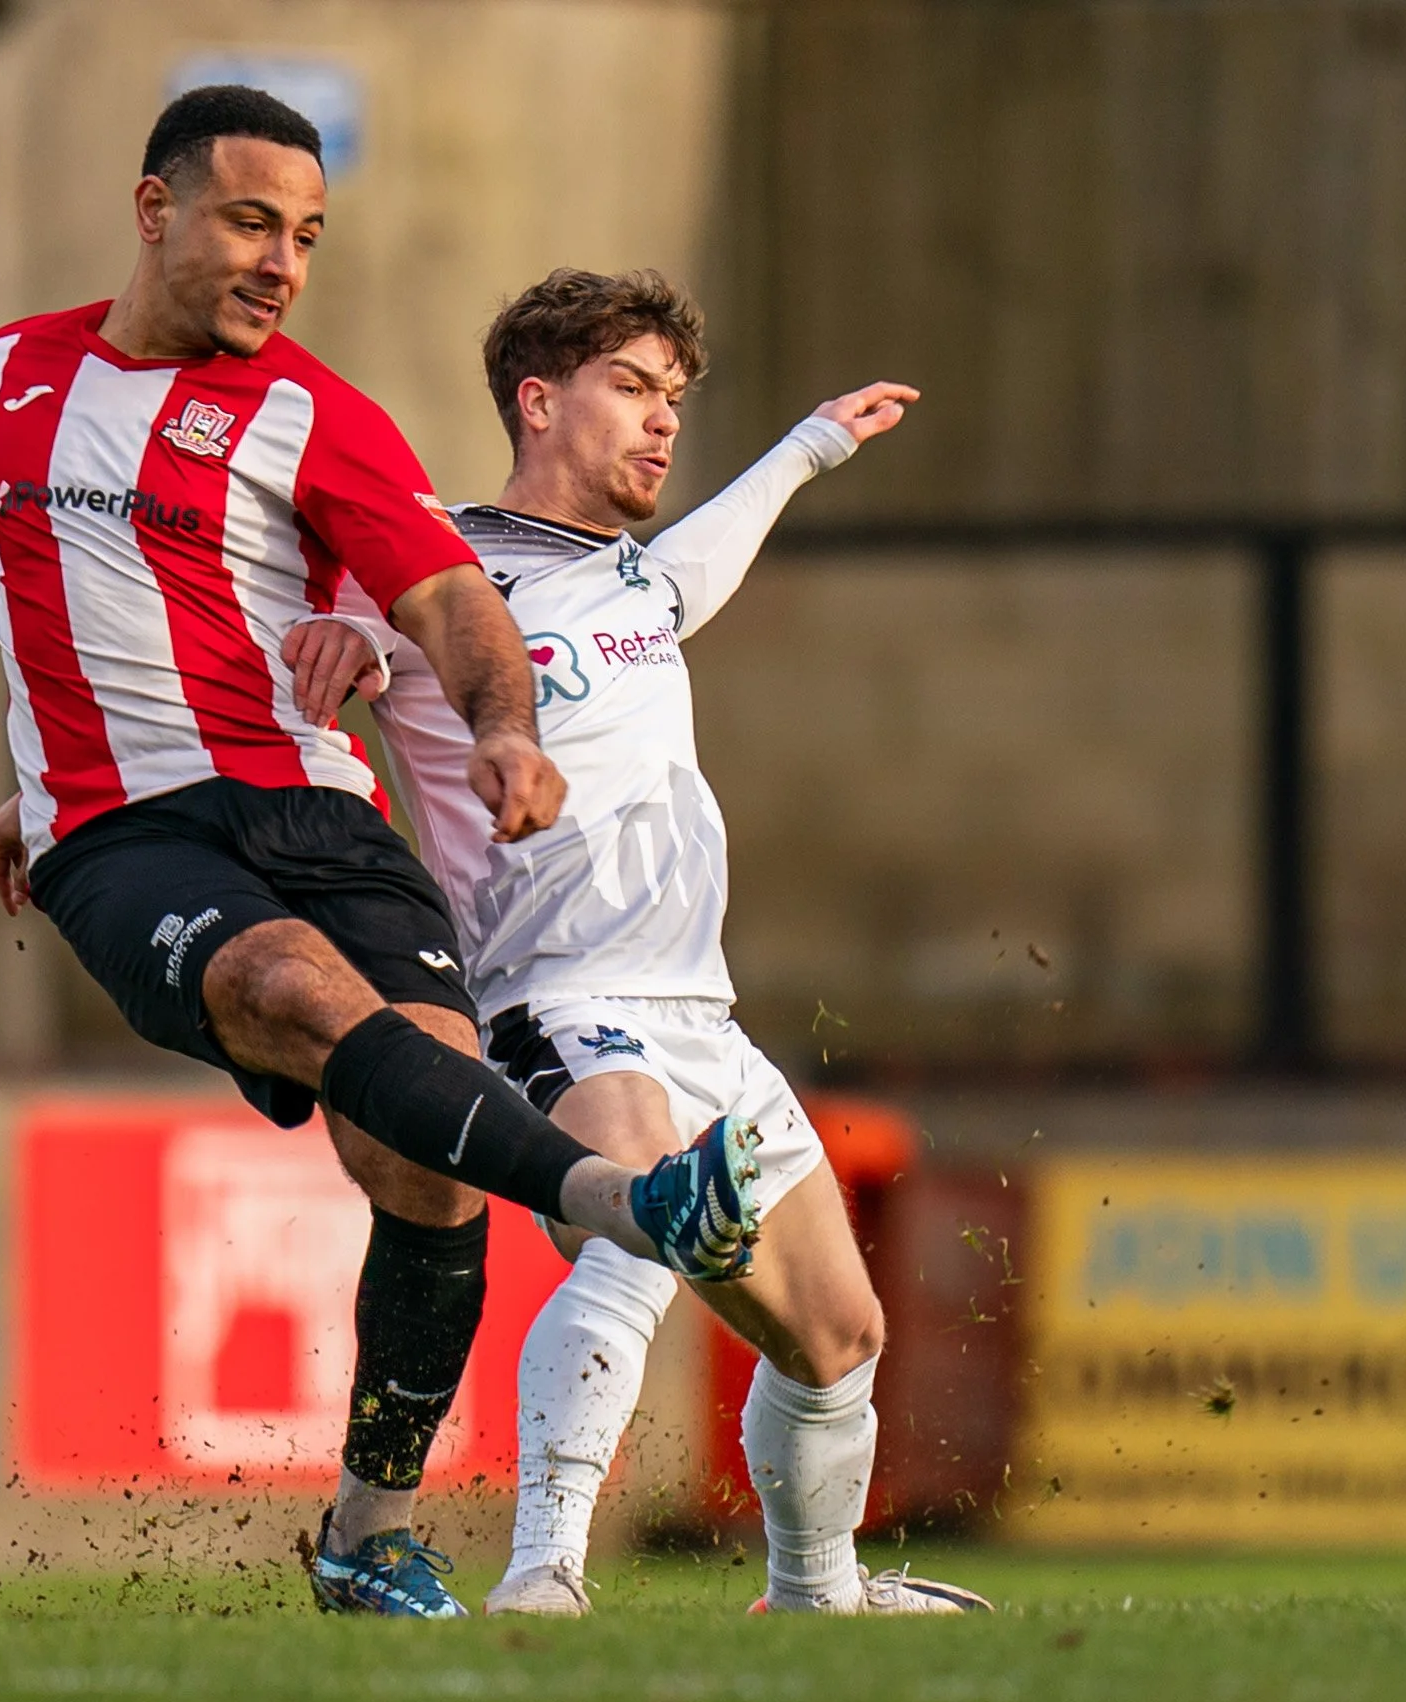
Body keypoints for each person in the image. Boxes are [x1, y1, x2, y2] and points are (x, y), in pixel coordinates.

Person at [0, 89, 758, 1621]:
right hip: (123, 830)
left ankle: (364, 1533)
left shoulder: (318, 416)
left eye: (309, 238)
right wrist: (35, 774)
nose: (284, 264)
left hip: (322, 816)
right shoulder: (2, 373)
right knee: (285, 987)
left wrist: (505, 728)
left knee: (425, 1154)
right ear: (155, 209)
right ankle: (623, 1200)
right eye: (252, 223)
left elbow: (454, 601)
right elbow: (46, 583)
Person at [290, 266, 991, 1616]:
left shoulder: (631, 583)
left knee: (840, 1335)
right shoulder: (429, 570)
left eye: (675, 398)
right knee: (638, 1219)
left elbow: (696, 565)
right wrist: (325, 641)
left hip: (699, 1015)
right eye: (632, 389)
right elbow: (315, 642)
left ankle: (816, 1594)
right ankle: (545, 1564)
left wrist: (807, 448)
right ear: (537, 402)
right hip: (555, 995)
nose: (664, 423)